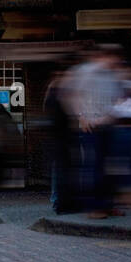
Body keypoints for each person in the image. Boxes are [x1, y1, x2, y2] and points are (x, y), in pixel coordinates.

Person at [62, 45, 125, 218]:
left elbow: (118, 99)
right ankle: (94, 207)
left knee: (110, 167)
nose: (117, 62)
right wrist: (81, 116)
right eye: (115, 58)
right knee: (94, 166)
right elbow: (72, 94)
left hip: (107, 124)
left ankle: (107, 204)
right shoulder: (86, 72)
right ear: (106, 56)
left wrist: (110, 115)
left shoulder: (112, 75)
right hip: (91, 125)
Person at [44, 62, 79, 213]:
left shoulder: (52, 91)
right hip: (62, 137)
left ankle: (59, 201)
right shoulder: (59, 92)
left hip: (58, 137)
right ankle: (62, 203)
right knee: (62, 171)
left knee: (60, 170)